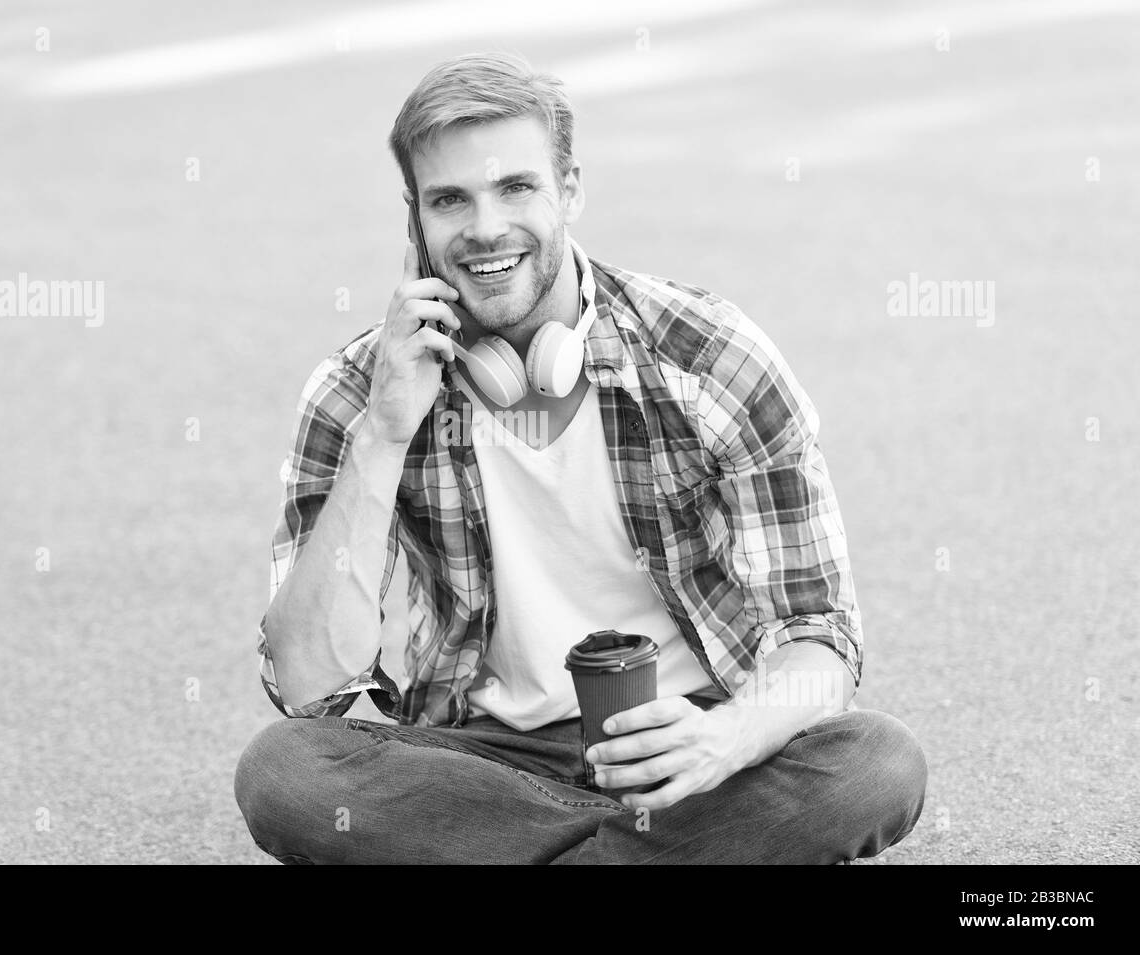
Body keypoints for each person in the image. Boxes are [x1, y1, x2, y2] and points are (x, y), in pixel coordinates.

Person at [234, 52, 927, 864]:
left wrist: (724, 737)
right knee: (282, 773)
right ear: (415, 218)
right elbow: (309, 683)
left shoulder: (709, 355)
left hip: (693, 745)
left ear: (570, 189)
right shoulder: (360, 389)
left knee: (877, 762)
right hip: (490, 768)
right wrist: (383, 435)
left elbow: (819, 637)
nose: (486, 227)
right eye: (450, 199)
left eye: (516, 187)